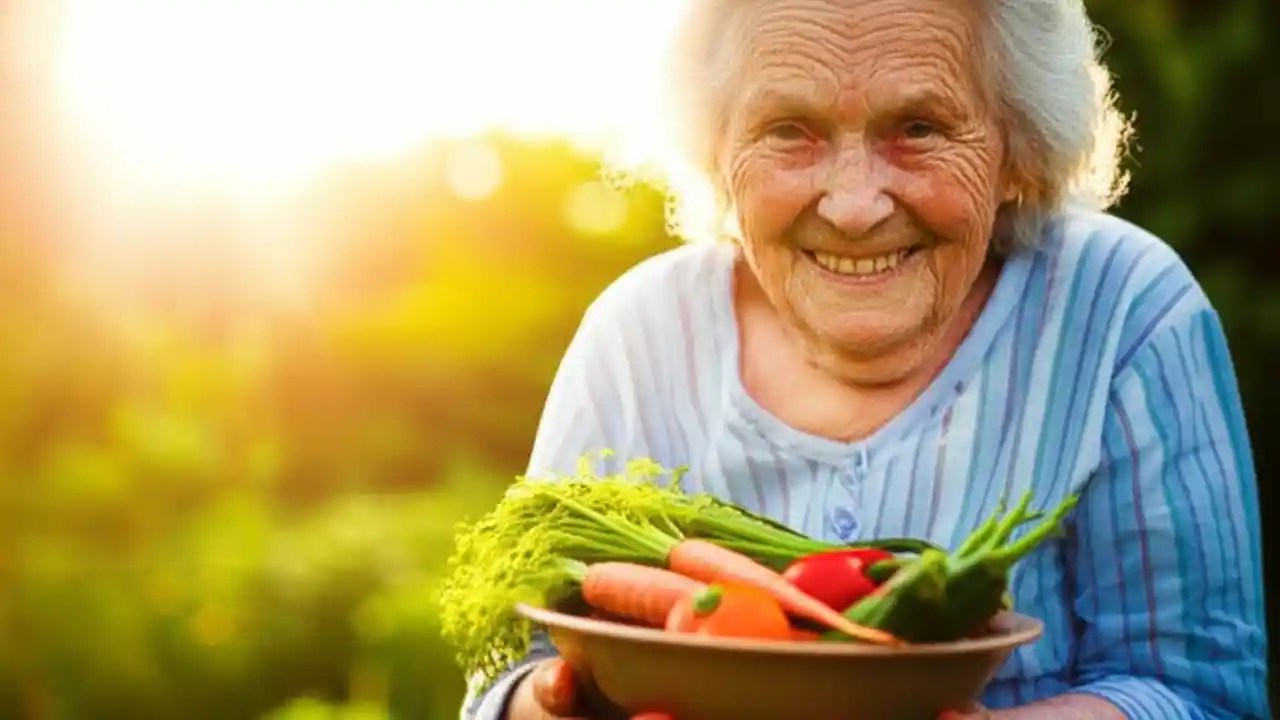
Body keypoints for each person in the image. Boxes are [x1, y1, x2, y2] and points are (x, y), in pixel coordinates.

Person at [463, 0, 1269, 718]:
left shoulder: (1126, 312)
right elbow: (505, 683)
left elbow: (1200, 692)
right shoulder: (635, 337)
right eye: (788, 130)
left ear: (1019, 149)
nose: (853, 206)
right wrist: (545, 705)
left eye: (917, 128)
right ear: (717, 151)